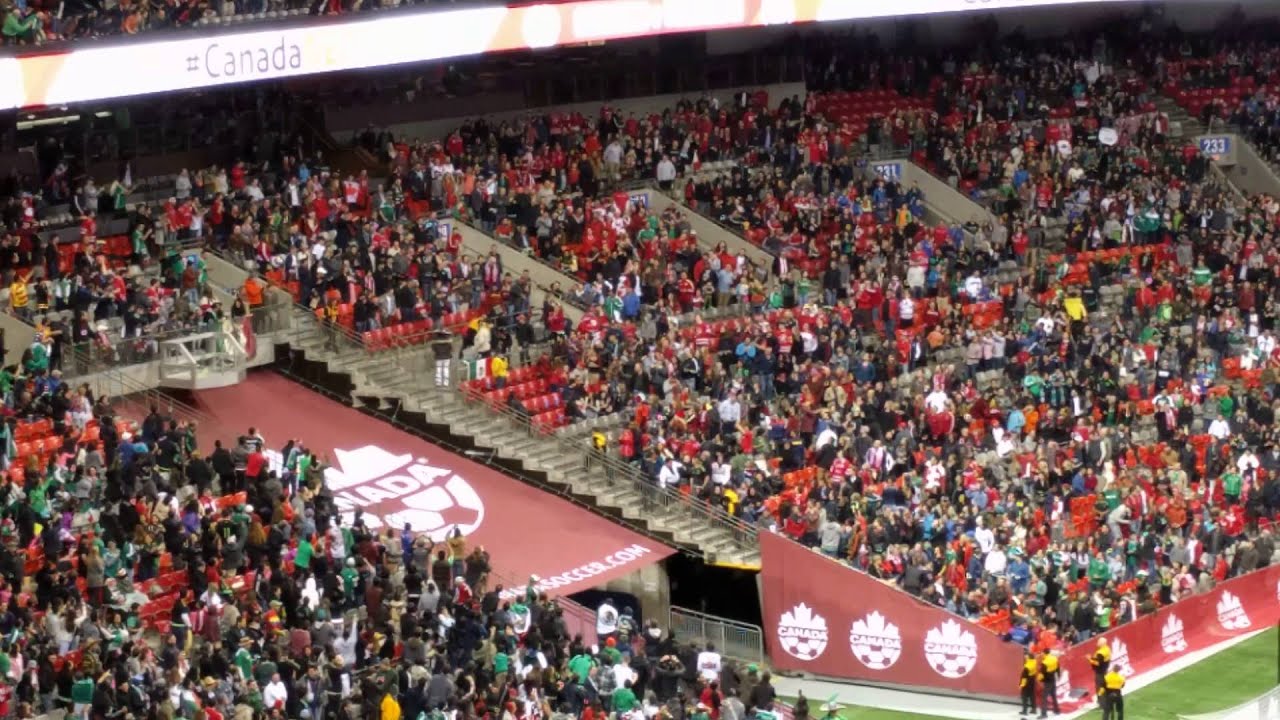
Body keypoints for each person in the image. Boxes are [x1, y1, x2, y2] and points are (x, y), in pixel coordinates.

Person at [1038, 649, 1060, 717]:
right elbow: (1057, 668)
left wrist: (1039, 679)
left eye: (1042, 653)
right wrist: (1058, 676)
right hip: (1053, 679)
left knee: (1044, 697)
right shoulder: (1055, 658)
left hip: (1047, 681)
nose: (1041, 654)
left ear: (1044, 653)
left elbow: (1042, 674)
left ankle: (1043, 714)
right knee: (1054, 696)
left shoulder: (1044, 662)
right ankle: (1057, 710)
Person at [1019, 651, 1039, 716]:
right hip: (1032, 681)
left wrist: (1021, 685)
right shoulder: (1034, 662)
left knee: (1024, 696)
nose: (1025, 656)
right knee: (1032, 695)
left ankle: (1025, 711)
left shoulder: (1027, 666)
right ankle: (1034, 709)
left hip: (1026, 682)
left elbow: (1024, 677)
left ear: (1029, 657)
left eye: (1026, 656)